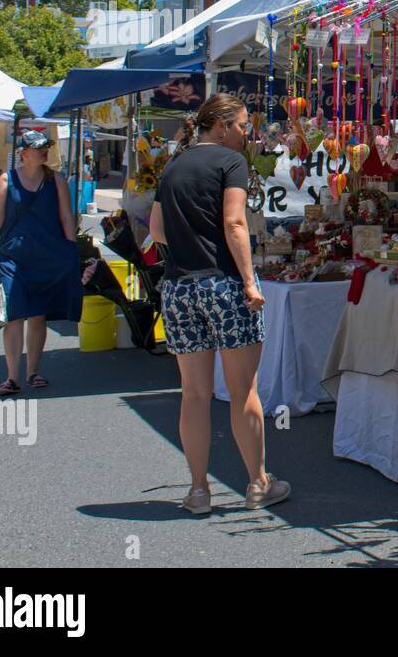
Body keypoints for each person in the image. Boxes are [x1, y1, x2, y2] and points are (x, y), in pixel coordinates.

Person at [149, 93, 290, 516]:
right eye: (244, 125)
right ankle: (258, 483)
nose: (247, 133)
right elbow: (233, 221)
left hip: (179, 288)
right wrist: (249, 281)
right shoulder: (232, 163)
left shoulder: (174, 162)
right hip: (224, 285)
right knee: (242, 390)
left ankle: (197, 491)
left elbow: (156, 229)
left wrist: (189, 248)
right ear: (223, 125)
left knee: (193, 394)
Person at [0, 131, 83, 397]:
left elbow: (66, 217)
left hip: (47, 255)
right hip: (12, 257)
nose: (44, 152)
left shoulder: (56, 180)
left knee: (38, 315)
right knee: (14, 314)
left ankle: (33, 371)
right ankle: (11, 377)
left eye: (46, 147)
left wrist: (72, 250)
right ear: (24, 152)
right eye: (38, 148)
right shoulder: (7, 180)